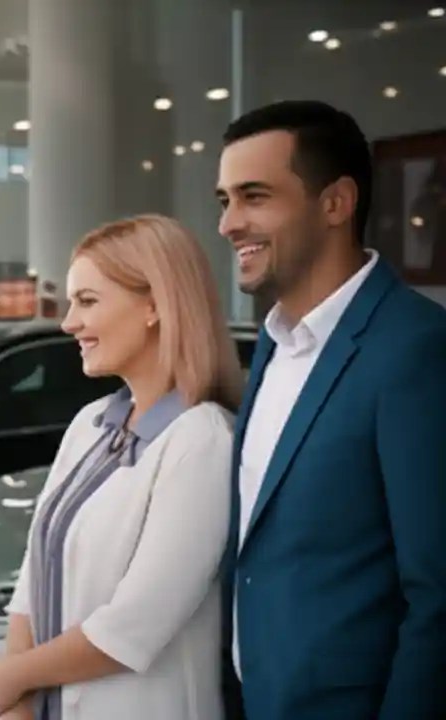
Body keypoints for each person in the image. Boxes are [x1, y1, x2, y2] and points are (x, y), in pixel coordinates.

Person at [218, 100, 446, 720]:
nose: (229, 223)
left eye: (254, 196)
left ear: (336, 203)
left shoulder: (416, 348)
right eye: (224, 201)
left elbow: (438, 597)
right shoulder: (271, 340)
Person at [0, 214, 243, 720]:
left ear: (153, 306)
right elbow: (34, 571)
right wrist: (16, 698)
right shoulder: (91, 422)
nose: (68, 322)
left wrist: (13, 675)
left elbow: (133, 626)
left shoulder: (203, 440)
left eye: (88, 301)